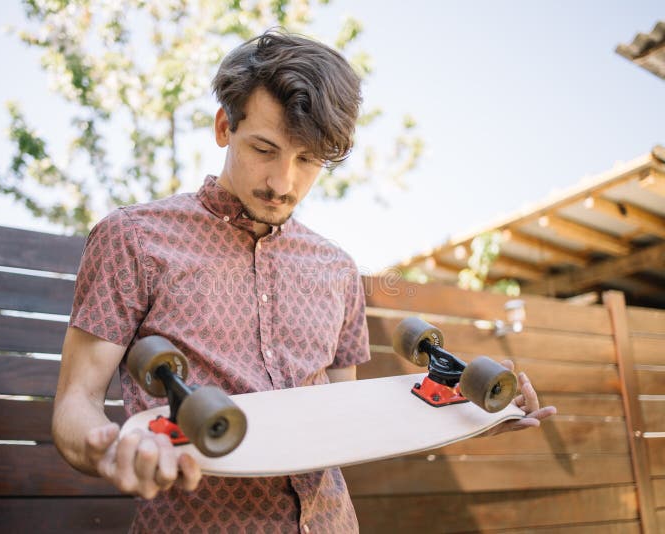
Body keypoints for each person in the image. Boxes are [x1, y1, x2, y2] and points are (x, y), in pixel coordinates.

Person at [52, 30, 556, 533]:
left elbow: (349, 422)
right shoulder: (134, 239)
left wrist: (471, 420)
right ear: (225, 126)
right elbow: (76, 403)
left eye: (308, 160)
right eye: (264, 149)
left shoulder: (337, 269)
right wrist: (112, 449)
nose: (283, 183)